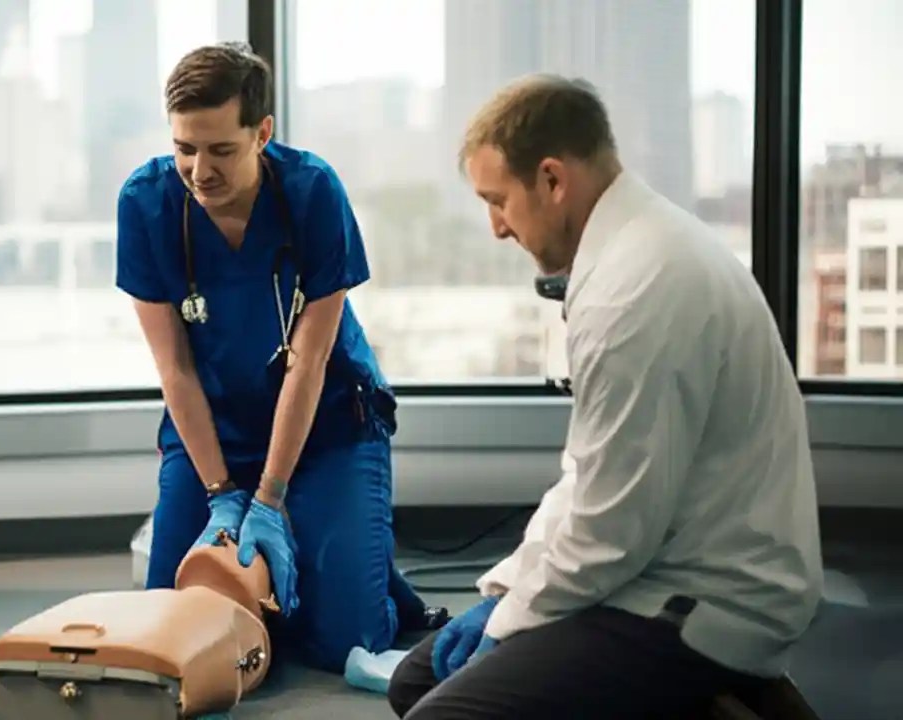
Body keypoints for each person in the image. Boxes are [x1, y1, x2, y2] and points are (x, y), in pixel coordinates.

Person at [387, 74, 825, 719]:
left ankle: (714, 696)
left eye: (499, 200)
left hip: (700, 601)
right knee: (414, 682)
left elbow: (610, 536)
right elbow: (586, 476)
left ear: (553, 180)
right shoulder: (633, 246)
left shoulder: (635, 291)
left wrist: (508, 624)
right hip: (656, 565)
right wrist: (503, 591)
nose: (496, 229)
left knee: (443, 715)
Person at [117, 42, 444, 674]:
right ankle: (334, 552)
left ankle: (361, 570)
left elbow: (310, 362)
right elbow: (175, 372)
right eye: (185, 148)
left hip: (327, 422)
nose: (199, 170)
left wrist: (267, 500)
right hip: (216, 430)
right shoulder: (146, 203)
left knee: (345, 643)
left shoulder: (311, 192)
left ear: (262, 132)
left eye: (220, 150)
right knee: (171, 622)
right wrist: (221, 494)